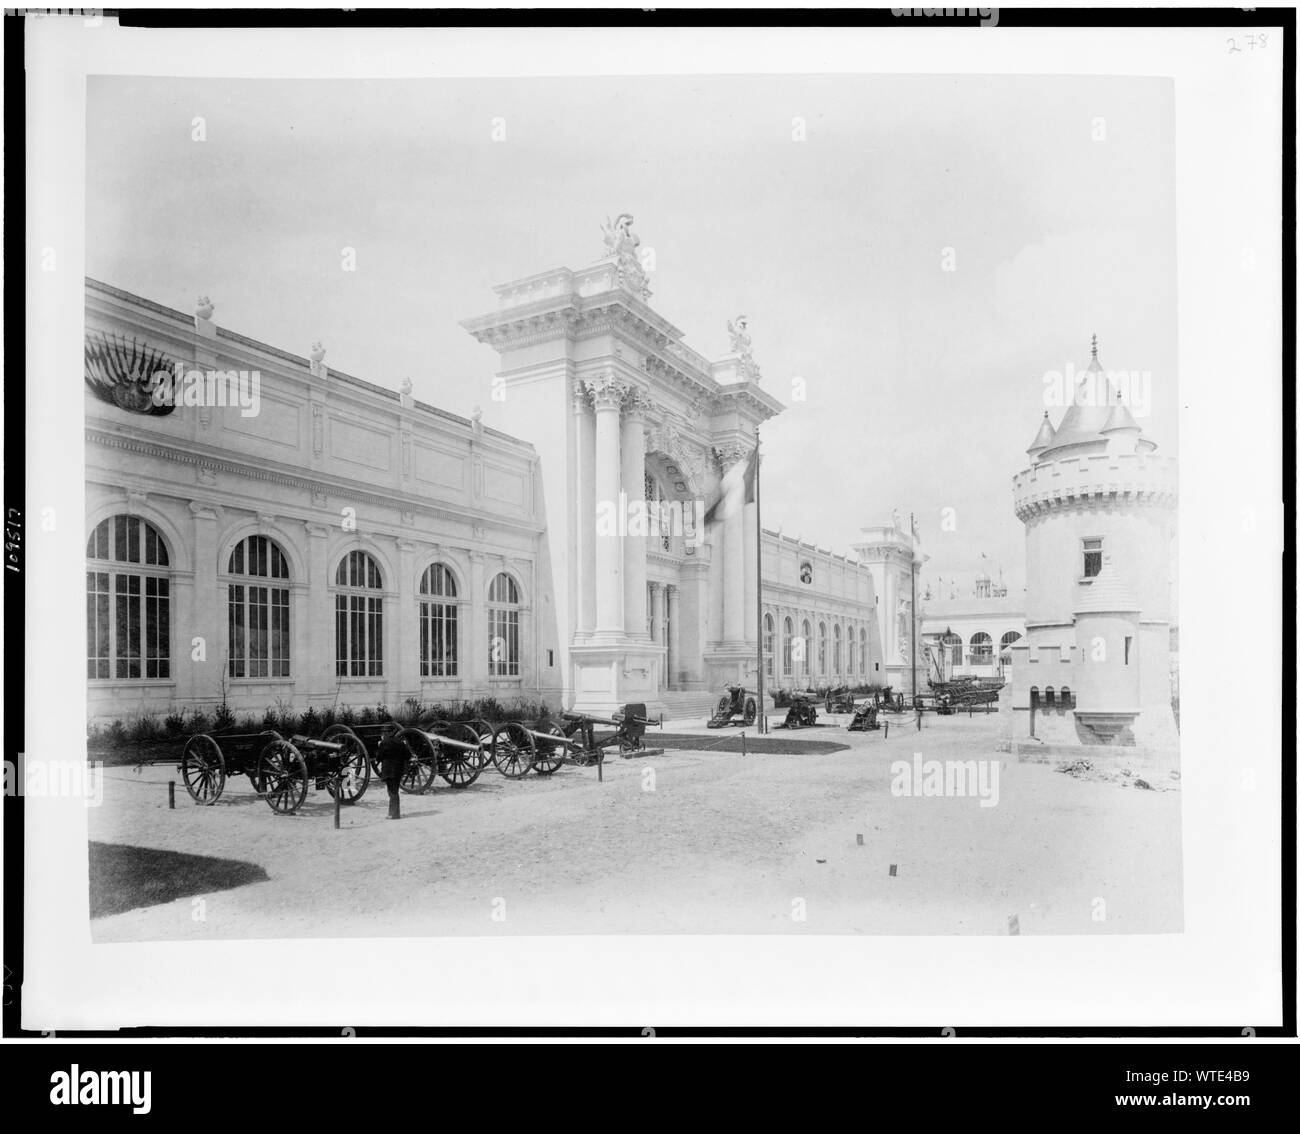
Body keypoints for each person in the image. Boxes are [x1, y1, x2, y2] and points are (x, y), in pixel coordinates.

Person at [375, 724, 410, 820]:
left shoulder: (383, 743)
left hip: (388, 770)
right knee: (395, 791)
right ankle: (395, 813)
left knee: (392, 793)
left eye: (384, 732)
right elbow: (407, 755)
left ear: (387, 733)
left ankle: (394, 814)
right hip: (399, 770)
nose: (384, 734)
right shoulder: (400, 743)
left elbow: (378, 757)